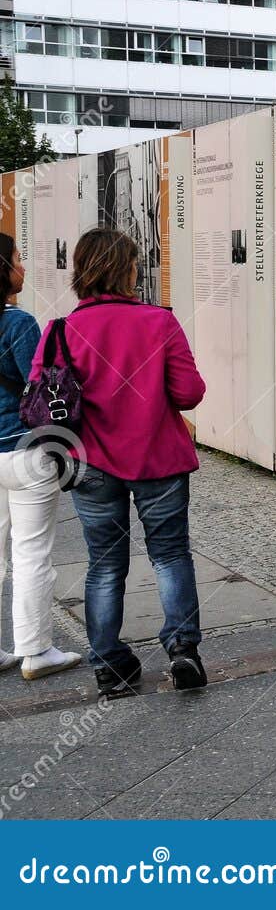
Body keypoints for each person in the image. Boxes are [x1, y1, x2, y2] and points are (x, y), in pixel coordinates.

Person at [35, 228, 206, 698]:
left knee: (105, 565)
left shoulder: (60, 332)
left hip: (90, 464)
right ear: (126, 270)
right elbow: (189, 393)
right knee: (170, 554)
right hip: (158, 460)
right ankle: (183, 651)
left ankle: (110, 665)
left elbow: (41, 401)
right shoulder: (159, 322)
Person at [0, 233, 82, 682]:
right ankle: (35, 651)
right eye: (17, 258)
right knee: (31, 552)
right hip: (23, 451)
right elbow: (39, 386)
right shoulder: (19, 323)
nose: (23, 266)